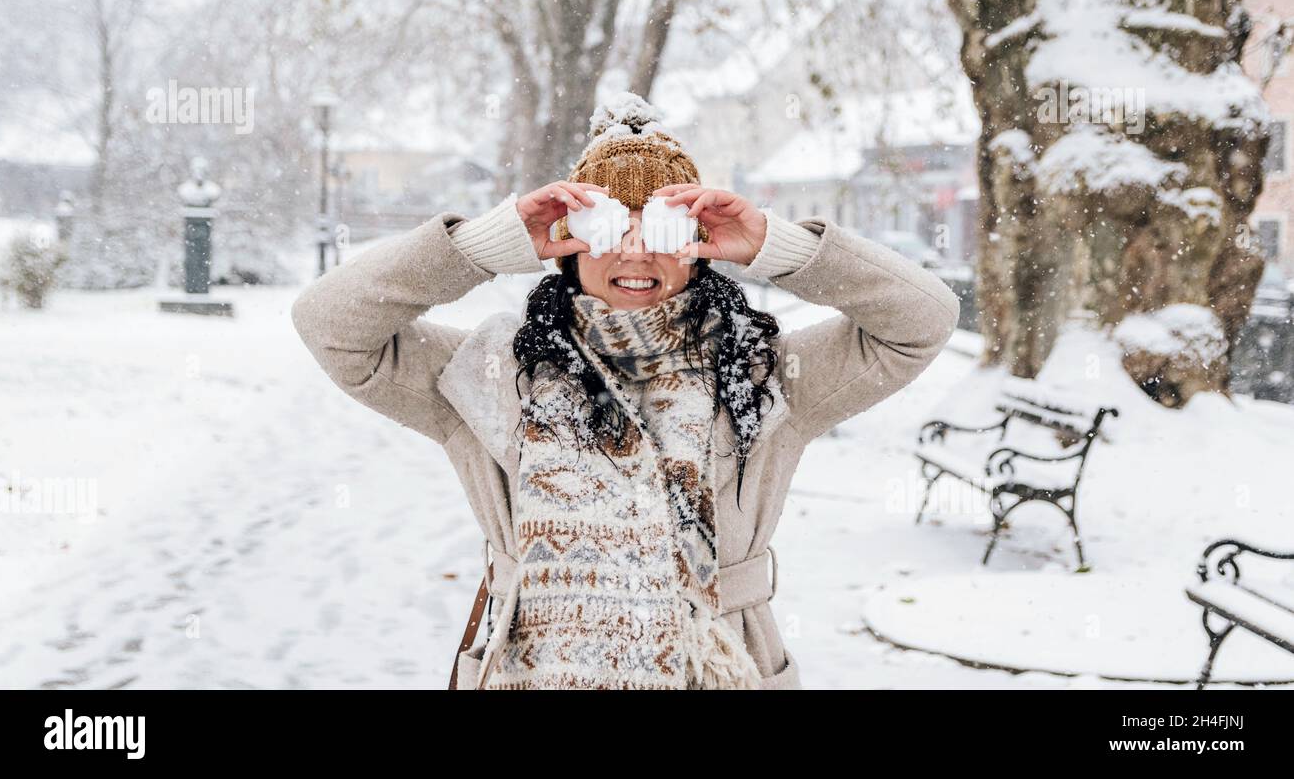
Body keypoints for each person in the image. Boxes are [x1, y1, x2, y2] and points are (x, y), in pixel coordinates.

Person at [291, 92, 960, 689]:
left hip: (718, 667)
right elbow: (329, 325)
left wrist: (773, 245)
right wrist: (481, 245)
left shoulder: (760, 371)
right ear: (569, 242)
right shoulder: (490, 372)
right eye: (610, 228)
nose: (636, 253)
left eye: (664, 229)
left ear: (700, 241)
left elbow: (923, 321)